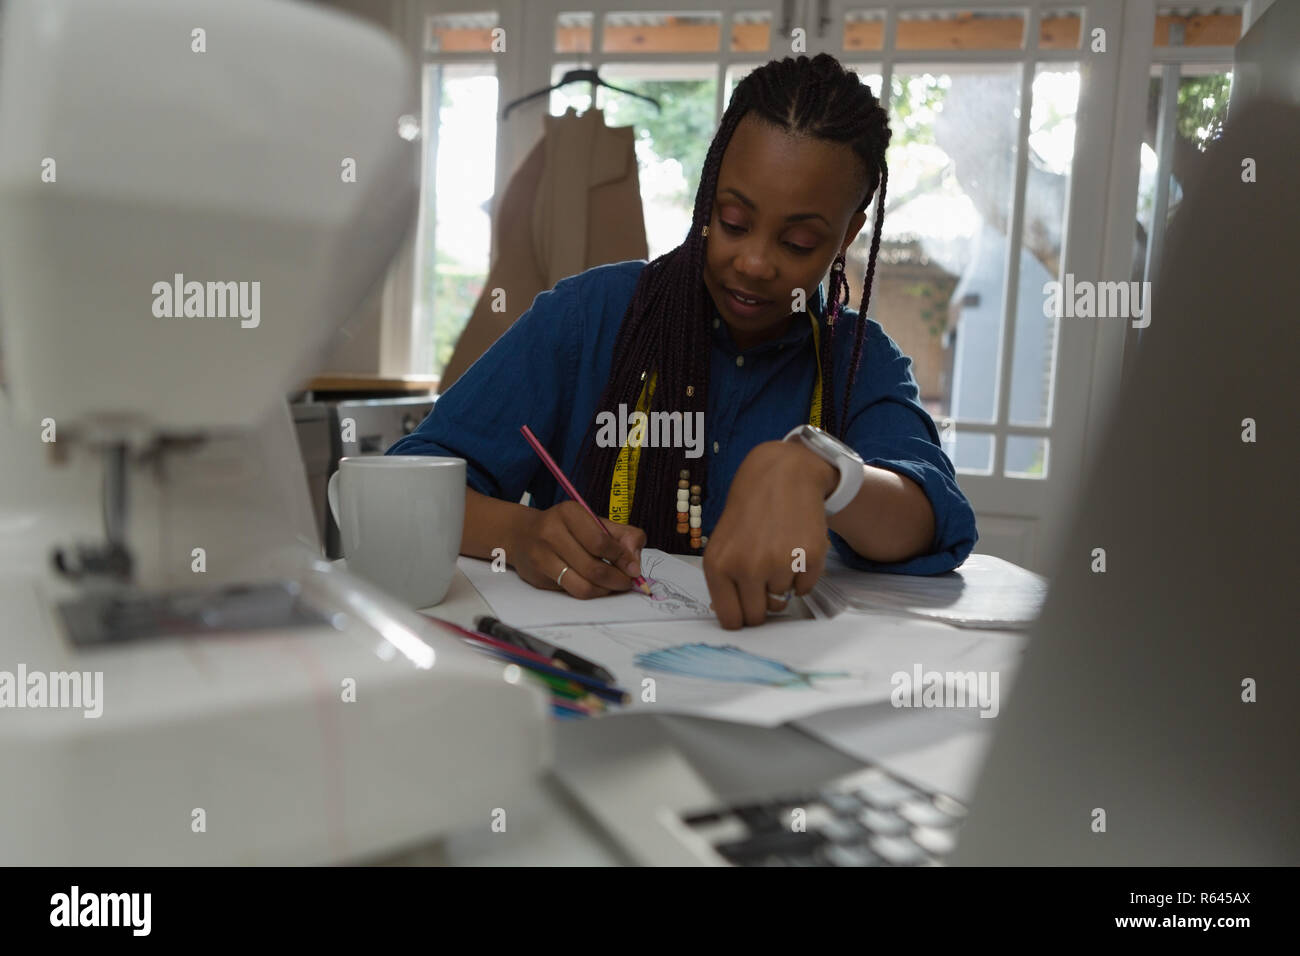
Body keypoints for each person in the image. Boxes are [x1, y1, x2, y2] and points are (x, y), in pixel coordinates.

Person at [389, 53, 977, 629]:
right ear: (709, 189)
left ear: (849, 232)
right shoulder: (587, 318)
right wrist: (520, 535)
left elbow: (928, 520)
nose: (752, 262)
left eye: (797, 242)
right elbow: (407, 483)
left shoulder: (859, 362)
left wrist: (823, 472)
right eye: (733, 221)